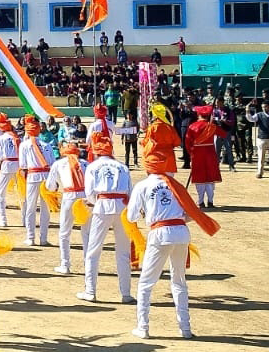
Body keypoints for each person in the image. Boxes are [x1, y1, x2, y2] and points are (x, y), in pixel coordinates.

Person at [125, 171, 194, 340]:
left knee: (146, 283)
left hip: (160, 234)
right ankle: (185, 328)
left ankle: (143, 327)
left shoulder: (142, 185)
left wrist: (145, 211)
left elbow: (131, 216)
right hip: (181, 233)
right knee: (179, 281)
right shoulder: (174, 184)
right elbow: (191, 214)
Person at [80, 134, 134, 305]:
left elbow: (89, 192)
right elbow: (129, 191)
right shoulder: (122, 166)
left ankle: (91, 291)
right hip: (122, 206)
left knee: (93, 250)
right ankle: (125, 293)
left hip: (102, 205)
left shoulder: (92, 166)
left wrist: (96, 202)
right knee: (123, 252)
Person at [48, 138, 86, 276]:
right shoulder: (85, 164)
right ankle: (88, 264)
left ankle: (65, 264)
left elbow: (50, 186)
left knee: (64, 232)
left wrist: (57, 186)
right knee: (86, 233)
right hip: (85, 197)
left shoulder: (58, 164)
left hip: (69, 196)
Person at [19, 117, 53, 248]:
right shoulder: (47, 145)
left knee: (31, 207)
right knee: (45, 209)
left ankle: (30, 237)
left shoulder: (24, 145)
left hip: (33, 177)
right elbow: (52, 164)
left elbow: (22, 166)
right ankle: (43, 238)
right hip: (46, 177)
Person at [184, 105, 226, 208]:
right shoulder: (211, 126)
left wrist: (191, 153)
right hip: (210, 153)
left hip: (197, 154)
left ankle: (200, 201)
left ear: (198, 115)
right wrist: (216, 123)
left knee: (200, 178)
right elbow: (223, 134)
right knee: (210, 178)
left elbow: (187, 142)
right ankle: (210, 201)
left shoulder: (192, 126)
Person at [0, 115, 20, 229]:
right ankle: (24, 219)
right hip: (18, 165)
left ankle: (3, 220)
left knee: (0, 193)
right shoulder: (17, 138)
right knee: (21, 192)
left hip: (7, 165)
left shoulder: (0, 139)